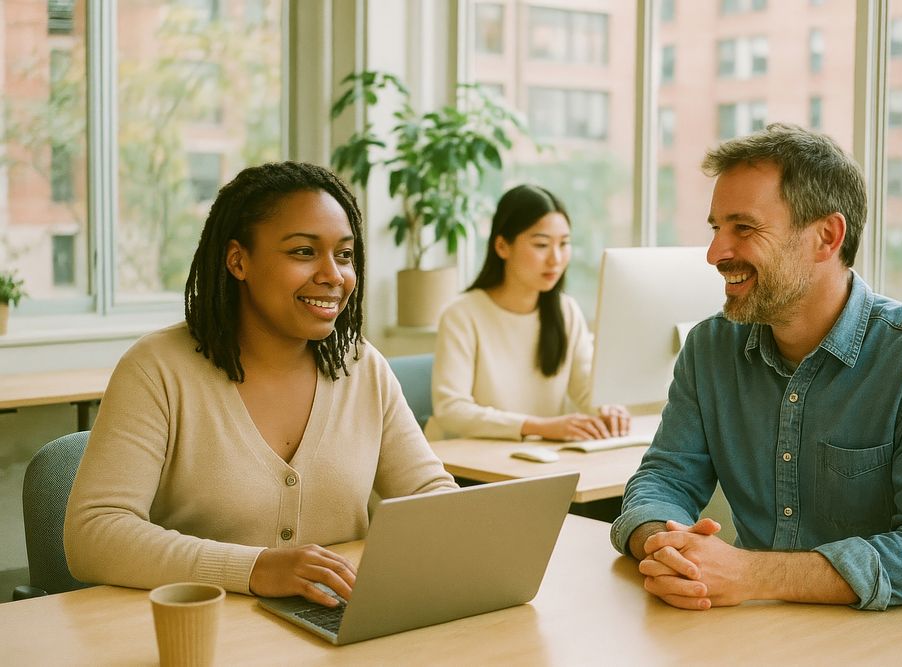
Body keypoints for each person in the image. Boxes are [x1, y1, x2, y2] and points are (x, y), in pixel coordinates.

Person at [611, 123, 902, 616]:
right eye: (716, 228)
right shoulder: (709, 348)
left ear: (826, 237)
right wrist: (666, 547)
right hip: (769, 627)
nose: (714, 253)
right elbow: (664, 479)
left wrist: (751, 574)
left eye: (744, 228)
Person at [65, 162, 457, 608]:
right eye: (304, 252)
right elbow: (93, 534)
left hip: (333, 624)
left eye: (345, 255)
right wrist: (254, 568)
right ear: (238, 261)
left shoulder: (362, 367)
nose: (334, 275)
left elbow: (430, 495)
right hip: (197, 631)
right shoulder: (157, 369)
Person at [424, 184, 630, 442]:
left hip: (536, 456)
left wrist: (606, 408)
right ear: (502, 246)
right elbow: (451, 410)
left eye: (564, 244)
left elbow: (585, 387)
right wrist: (539, 427)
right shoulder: (461, 315)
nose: (556, 258)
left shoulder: (566, 310)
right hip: (464, 458)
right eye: (541, 244)